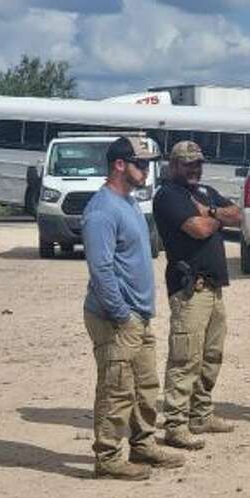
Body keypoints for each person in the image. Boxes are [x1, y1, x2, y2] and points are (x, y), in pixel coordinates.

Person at [81, 137, 185, 480]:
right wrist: (121, 314)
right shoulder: (102, 210)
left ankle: (142, 445)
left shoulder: (127, 203)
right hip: (116, 318)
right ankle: (108, 457)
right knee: (116, 388)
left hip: (137, 317)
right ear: (119, 165)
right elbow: (101, 269)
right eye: (141, 164)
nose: (147, 170)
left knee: (145, 386)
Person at [152, 141, 242, 450]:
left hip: (214, 288)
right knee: (185, 357)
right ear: (174, 165)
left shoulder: (205, 194)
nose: (195, 169)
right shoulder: (168, 196)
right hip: (190, 289)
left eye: (198, 163)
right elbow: (199, 229)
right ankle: (175, 423)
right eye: (189, 164)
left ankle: (201, 413)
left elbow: (238, 215)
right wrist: (215, 219)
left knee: (211, 355)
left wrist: (213, 211)